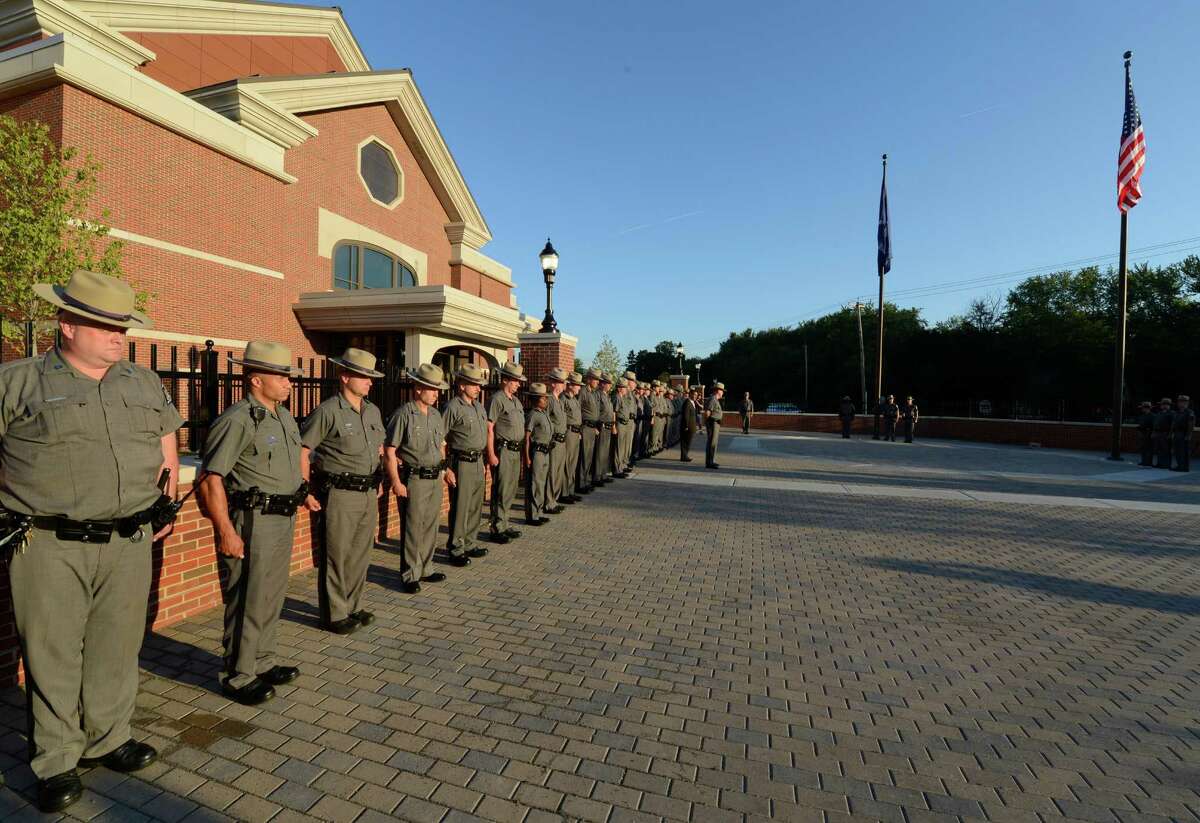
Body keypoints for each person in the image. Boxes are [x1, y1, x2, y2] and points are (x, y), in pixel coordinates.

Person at [0, 270, 183, 812]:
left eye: (121, 327)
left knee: (118, 644)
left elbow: (165, 435)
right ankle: (56, 760)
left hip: (128, 540)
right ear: (66, 323)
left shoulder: (141, 382)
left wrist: (164, 495)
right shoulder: (18, 382)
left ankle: (108, 737)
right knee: (52, 652)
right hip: (50, 544)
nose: (116, 336)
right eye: (103, 325)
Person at [202, 340, 309, 707]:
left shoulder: (282, 416)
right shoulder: (237, 419)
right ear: (255, 380)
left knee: (270, 593)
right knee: (247, 595)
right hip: (252, 519)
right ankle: (238, 674)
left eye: (288, 376)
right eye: (280, 376)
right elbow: (211, 478)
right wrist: (226, 531)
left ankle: (263, 661)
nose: (288, 383)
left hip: (282, 517)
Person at [299, 348, 386, 636]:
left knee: (361, 552)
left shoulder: (372, 410)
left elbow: (379, 447)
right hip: (339, 492)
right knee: (337, 553)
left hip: (367, 491)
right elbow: (303, 450)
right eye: (364, 376)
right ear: (345, 376)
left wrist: (380, 476)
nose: (369, 382)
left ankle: (354, 605)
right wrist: (304, 489)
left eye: (371, 378)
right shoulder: (328, 411)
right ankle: (334, 614)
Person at [385, 363, 450, 593]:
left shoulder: (435, 415)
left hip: (434, 478)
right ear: (418, 388)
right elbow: (390, 451)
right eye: (432, 388)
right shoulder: (403, 414)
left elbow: (441, 445)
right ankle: (410, 574)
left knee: (431, 525)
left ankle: (426, 568)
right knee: (413, 527)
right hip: (414, 478)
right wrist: (395, 481)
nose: (436, 393)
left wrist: (444, 468)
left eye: (437, 389)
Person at [443, 363, 490, 564]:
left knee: (475, 506)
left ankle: (470, 543)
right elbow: (440, 438)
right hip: (461, 462)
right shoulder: (452, 407)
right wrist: (446, 467)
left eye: (479, 384)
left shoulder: (479, 407)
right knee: (461, 507)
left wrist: (486, 460)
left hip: (478, 461)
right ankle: (456, 548)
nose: (478, 388)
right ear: (462, 385)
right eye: (473, 384)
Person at [487, 362, 527, 540]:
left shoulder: (516, 401)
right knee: (501, 489)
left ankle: (505, 523)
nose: (518, 384)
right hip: (502, 450)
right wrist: (491, 454)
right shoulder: (497, 399)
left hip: (515, 451)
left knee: (511, 489)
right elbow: (489, 427)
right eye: (515, 381)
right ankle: (496, 527)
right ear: (505, 381)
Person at [524, 383, 554, 524]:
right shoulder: (533, 415)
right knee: (535, 484)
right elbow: (527, 438)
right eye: (543, 398)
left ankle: (539, 511)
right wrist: (527, 457)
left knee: (541, 483)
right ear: (536, 399)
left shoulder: (544, 414)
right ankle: (532, 515)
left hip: (545, 452)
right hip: (536, 452)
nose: (546, 400)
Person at [544, 368, 568, 512]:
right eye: (560, 382)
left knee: (558, 472)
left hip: (562, 440)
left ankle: (554, 499)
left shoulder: (559, 400)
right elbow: (546, 421)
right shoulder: (550, 400)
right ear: (553, 383)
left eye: (563, 382)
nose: (563, 385)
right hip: (554, 441)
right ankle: (548, 502)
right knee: (552, 472)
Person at [559, 371, 584, 504]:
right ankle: (563, 492)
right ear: (570, 385)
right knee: (567, 463)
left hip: (575, 432)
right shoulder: (564, 399)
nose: (579, 388)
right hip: (568, 432)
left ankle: (570, 490)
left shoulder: (574, 399)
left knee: (573, 463)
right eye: (577, 385)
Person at [577, 368, 602, 494]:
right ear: (589, 379)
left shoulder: (594, 393)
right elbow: (578, 410)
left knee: (590, 456)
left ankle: (586, 481)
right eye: (595, 379)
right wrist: (580, 429)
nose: (597, 382)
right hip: (585, 427)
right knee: (584, 456)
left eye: (598, 380)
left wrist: (596, 427)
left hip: (593, 427)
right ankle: (581, 484)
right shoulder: (583, 392)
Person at [595, 373, 616, 485]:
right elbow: (596, 411)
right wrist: (596, 425)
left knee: (605, 452)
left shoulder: (607, 395)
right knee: (600, 452)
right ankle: (597, 476)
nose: (609, 386)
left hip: (608, 426)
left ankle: (603, 474)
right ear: (602, 384)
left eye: (610, 384)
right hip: (601, 426)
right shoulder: (598, 395)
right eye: (607, 383)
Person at [1171, 394, 1194, 472]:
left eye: (1183, 402)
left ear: (1187, 403)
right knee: (1177, 451)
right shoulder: (1177, 412)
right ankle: (1179, 465)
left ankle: (1184, 467)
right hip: (1177, 433)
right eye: (1180, 402)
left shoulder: (1189, 412)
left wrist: (1189, 435)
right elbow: (1174, 424)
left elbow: (1191, 424)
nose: (1181, 403)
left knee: (1184, 452)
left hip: (1184, 434)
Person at [705, 382, 725, 469]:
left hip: (715, 424)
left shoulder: (715, 400)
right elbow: (707, 413)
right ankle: (710, 462)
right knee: (712, 443)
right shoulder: (713, 399)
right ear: (718, 391)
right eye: (722, 391)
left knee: (713, 443)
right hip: (713, 423)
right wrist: (709, 425)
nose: (723, 393)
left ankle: (711, 461)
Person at [1153, 396, 1174, 469]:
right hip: (1158, 433)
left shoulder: (1171, 413)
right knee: (1159, 449)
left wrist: (1170, 434)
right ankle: (1159, 463)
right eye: (1162, 404)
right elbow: (1155, 423)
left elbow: (1173, 425)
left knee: (1166, 450)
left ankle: (1166, 464)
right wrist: (1154, 432)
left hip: (1165, 433)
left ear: (1168, 405)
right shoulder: (1159, 413)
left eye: (1164, 404)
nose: (1162, 406)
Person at [681, 386, 699, 461]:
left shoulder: (692, 402)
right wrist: (686, 426)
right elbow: (686, 415)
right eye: (694, 395)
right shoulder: (687, 402)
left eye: (696, 395)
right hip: (687, 426)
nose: (695, 396)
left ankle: (685, 455)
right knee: (685, 442)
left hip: (691, 426)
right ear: (690, 394)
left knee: (688, 442)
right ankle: (684, 456)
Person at [1136, 400, 1155, 467]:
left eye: (1144, 408)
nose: (1143, 409)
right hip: (1142, 433)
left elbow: (1154, 426)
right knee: (1143, 448)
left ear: (1148, 408)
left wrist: (1152, 433)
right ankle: (1144, 461)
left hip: (1148, 433)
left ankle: (1148, 462)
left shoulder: (1152, 416)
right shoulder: (1142, 416)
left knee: (1149, 448)